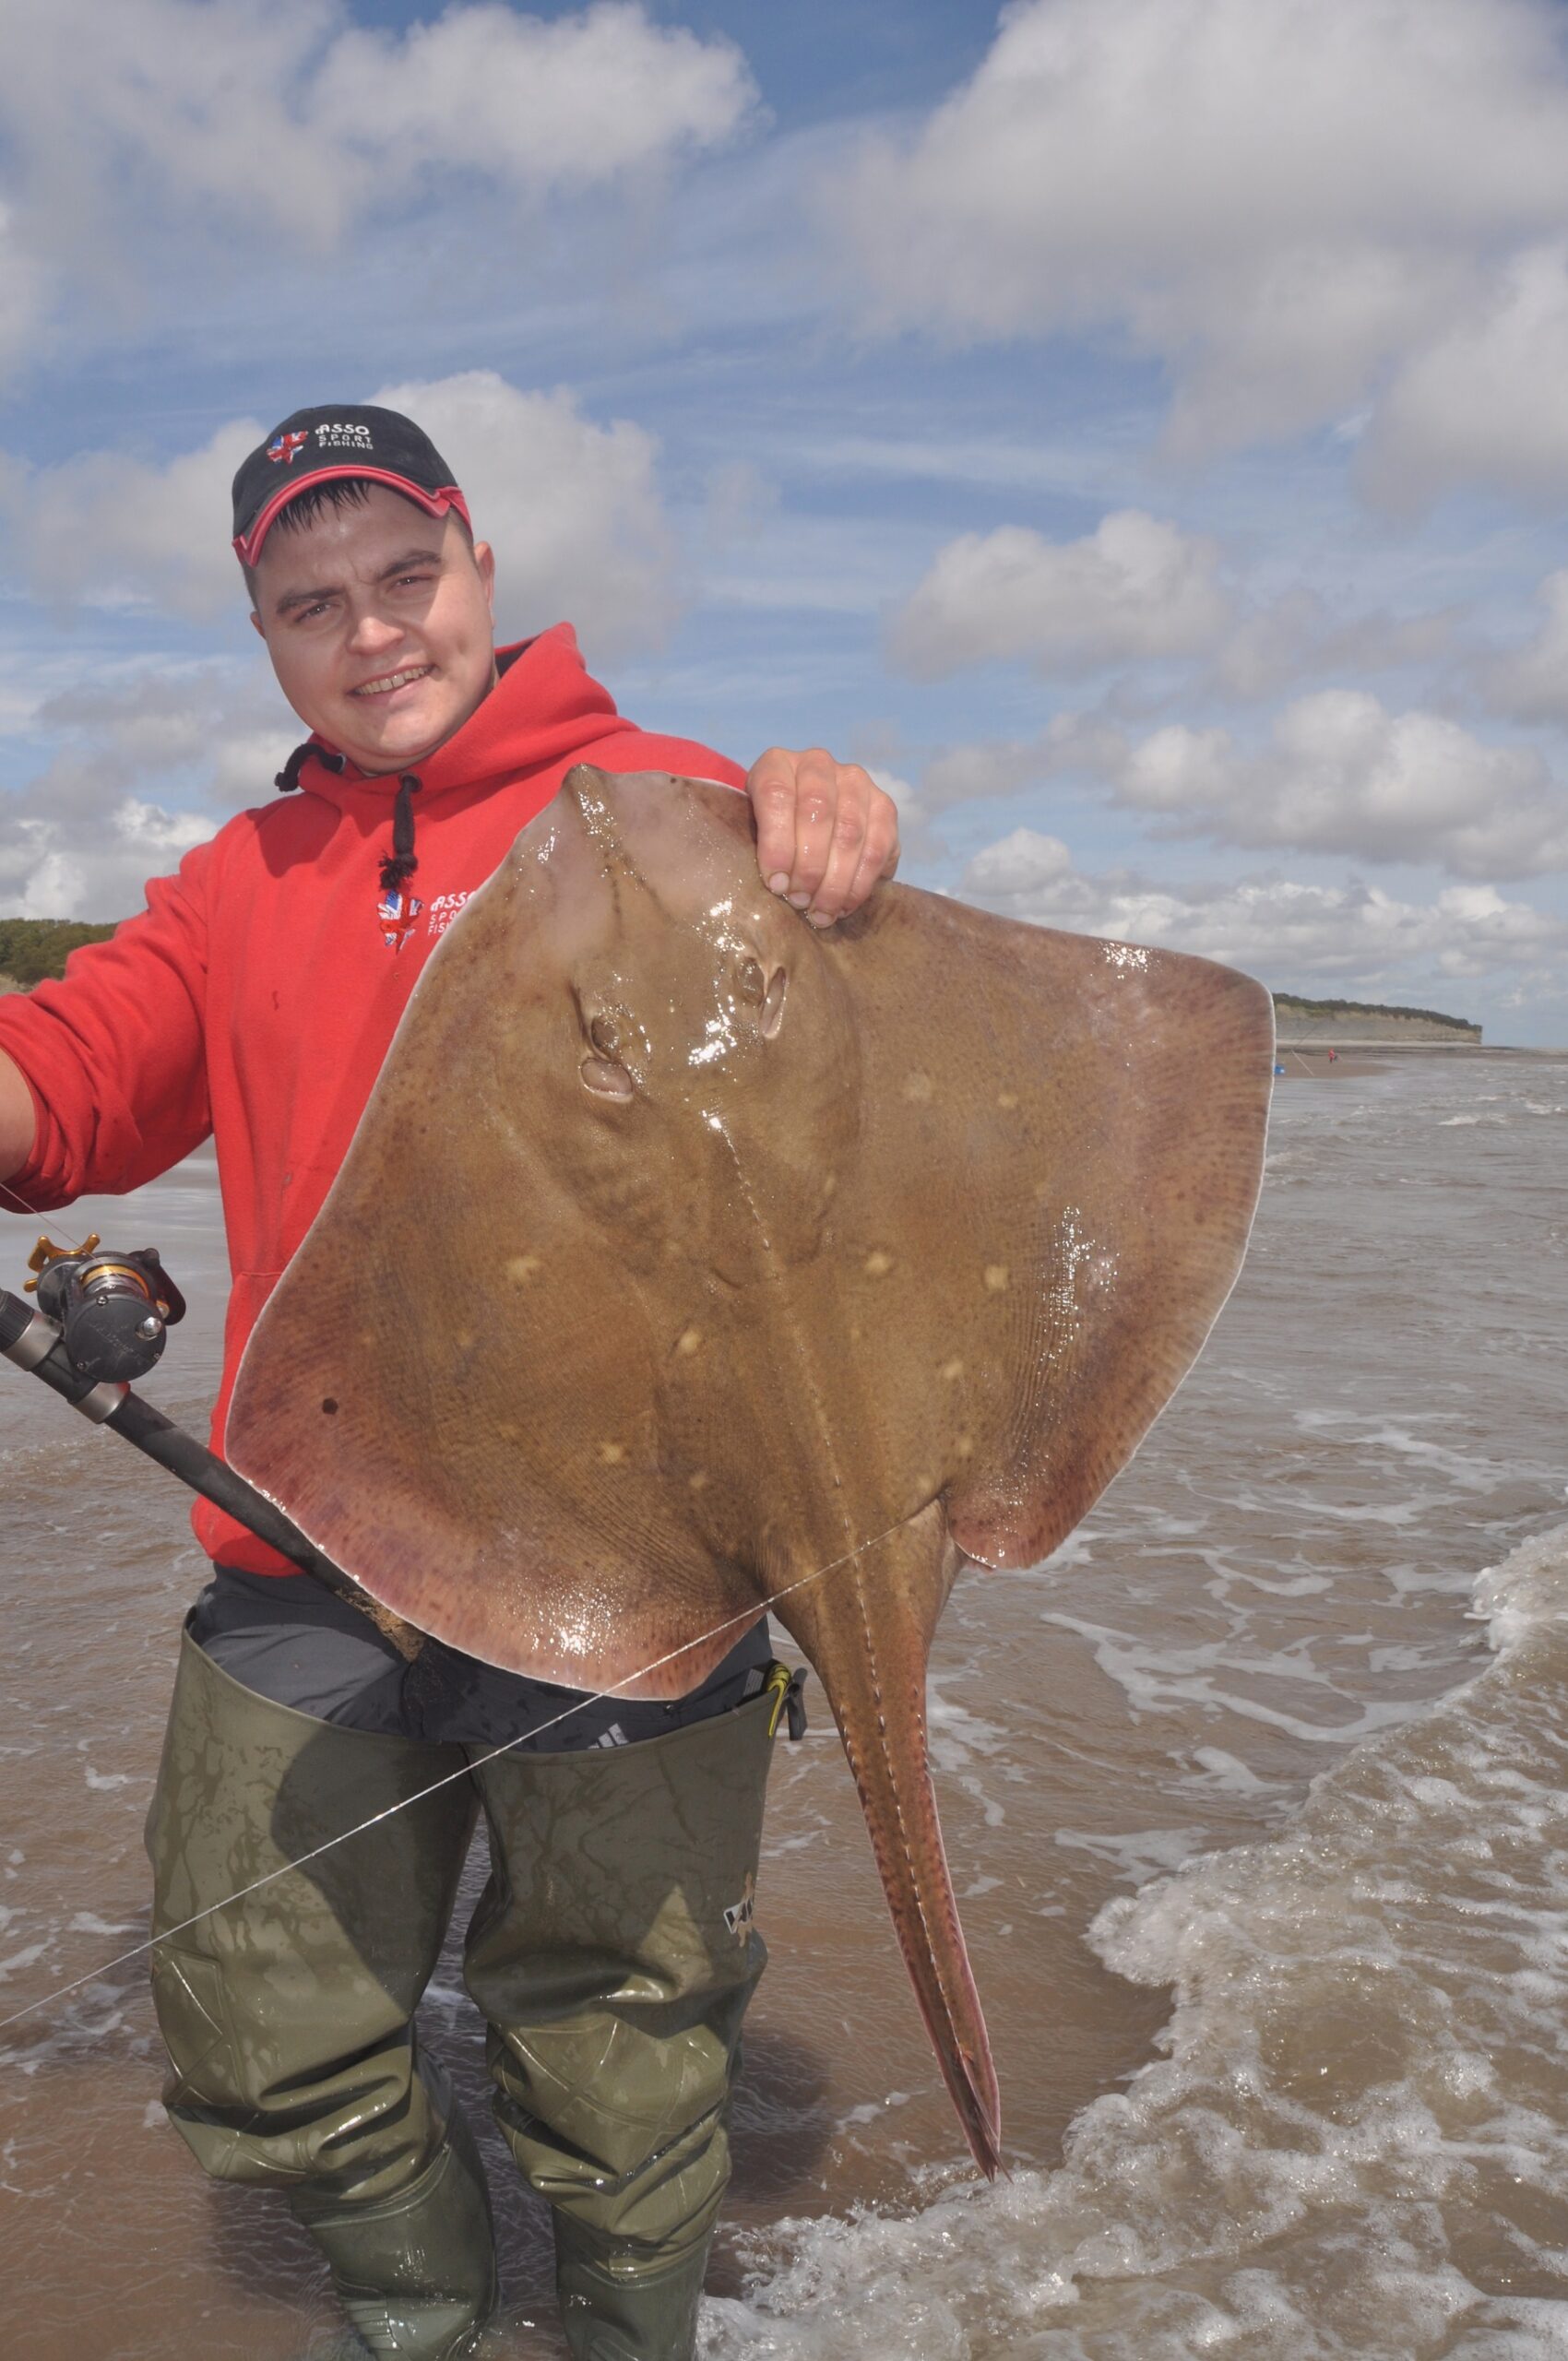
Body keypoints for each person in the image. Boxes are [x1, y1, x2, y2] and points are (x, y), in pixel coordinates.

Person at [0, 403, 900, 2361]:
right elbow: (56, 1084)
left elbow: (883, 1113)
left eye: (407, 575)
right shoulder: (242, 876)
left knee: (622, 2053)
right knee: (252, 2025)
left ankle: (627, 2335)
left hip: (630, 1559)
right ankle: (423, 2319)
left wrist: (828, 825)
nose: (373, 629)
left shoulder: (681, 810)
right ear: (264, 635)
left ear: (482, 569)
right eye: (310, 602)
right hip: (310, 1539)